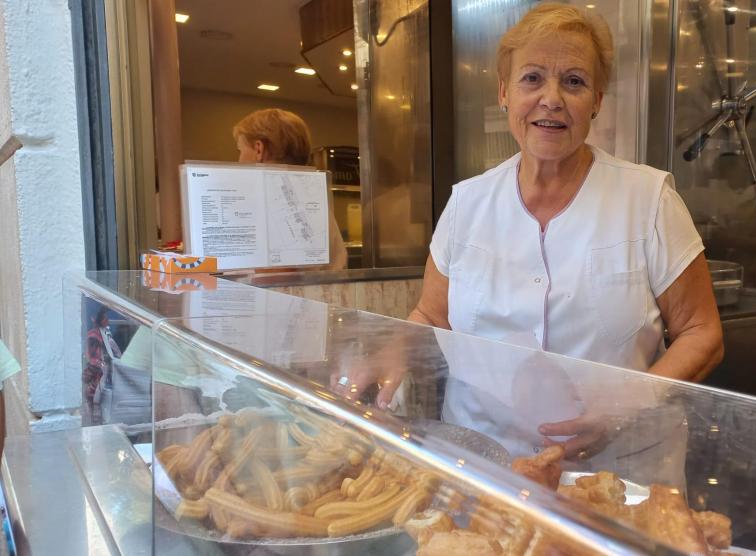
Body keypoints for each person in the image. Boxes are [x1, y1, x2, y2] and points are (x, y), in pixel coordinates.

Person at [336, 4, 723, 467]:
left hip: (619, 469)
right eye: (532, 78)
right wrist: (394, 349)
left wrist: (627, 404)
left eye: (574, 81)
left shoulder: (649, 199)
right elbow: (433, 315)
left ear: (597, 100)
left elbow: (702, 333)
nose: (552, 98)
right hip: (485, 464)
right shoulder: (467, 203)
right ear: (504, 93)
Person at [232, 108, 348, 271]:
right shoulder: (313, 200)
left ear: (259, 149)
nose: (239, 160)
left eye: (240, 150)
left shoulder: (273, 203)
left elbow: (277, 280)